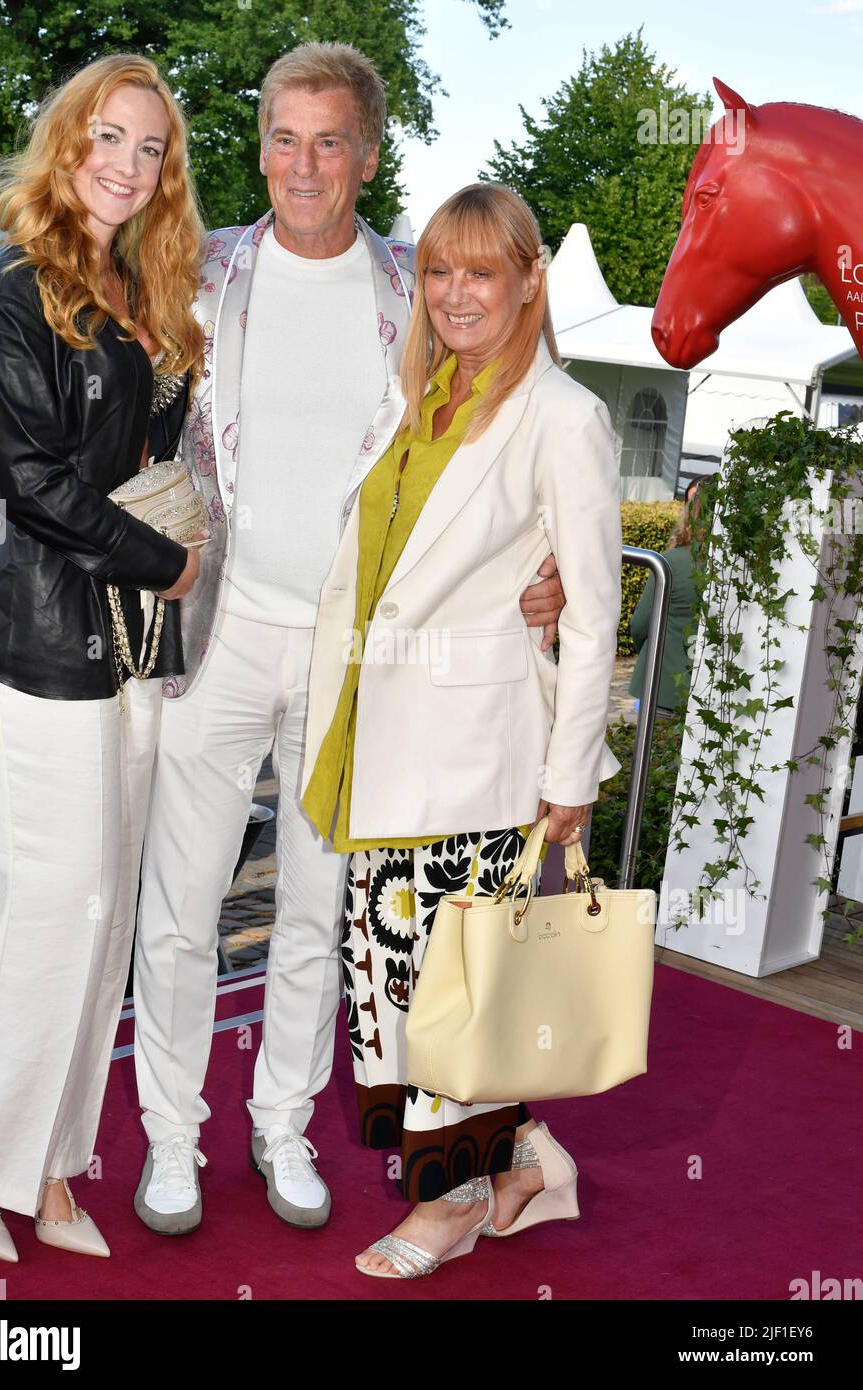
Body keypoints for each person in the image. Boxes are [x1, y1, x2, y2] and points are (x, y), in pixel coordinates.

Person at [128, 41, 569, 1236]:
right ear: (260, 146)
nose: (303, 164)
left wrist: (548, 561)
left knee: (317, 908)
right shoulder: (199, 271)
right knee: (177, 906)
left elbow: (514, 418)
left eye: (330, 141)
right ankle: (172, 1137)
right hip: (211, 634)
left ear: (367, 155)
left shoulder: (411, 291)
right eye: (283, 137)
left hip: (351, 662)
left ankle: (282, 1130)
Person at [300, 181, 623, 1279]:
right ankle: (525, 1157)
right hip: (374, 739)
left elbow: (593, 609)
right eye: (438, 270)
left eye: (480, 270)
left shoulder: (564, 417)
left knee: (447, 994)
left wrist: (569, 774)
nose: (453, 292)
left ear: (529, 279)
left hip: (480, 754)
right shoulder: (417, 397)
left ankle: (449, 1202)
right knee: (389, 986)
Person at [0, 53, 205, 1263]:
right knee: (50, 911)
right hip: (40, 633)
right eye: (107, 136)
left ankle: (52, 1162)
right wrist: (172, 562)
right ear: (66, 141)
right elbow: (34, 481)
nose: (126, 163)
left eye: (149, 149)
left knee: (104, 927)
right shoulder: (13, 283)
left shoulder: (137, 280)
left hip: (130, 651)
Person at [629, 488, 700, 716]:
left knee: (651, 749)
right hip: (707, 692)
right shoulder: (735, 569)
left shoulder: (672, 562)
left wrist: (648, 652)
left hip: (660, 684)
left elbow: (640, 624)